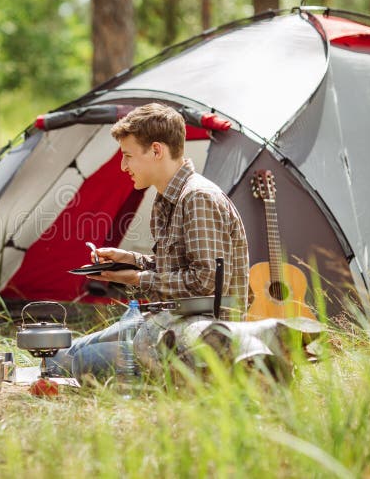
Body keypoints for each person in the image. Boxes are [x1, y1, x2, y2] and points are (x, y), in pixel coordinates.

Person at [49, 102, 249, 378]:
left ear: (156, 150)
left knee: (78, 362)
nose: (123, 166)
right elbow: (179, 266)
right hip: (169, 321)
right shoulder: (167, 197)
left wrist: (136, 279)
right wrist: (131, 260)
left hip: (201, 339)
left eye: (128, 156)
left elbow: (206, 285)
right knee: (56, 357)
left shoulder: (198, 198)